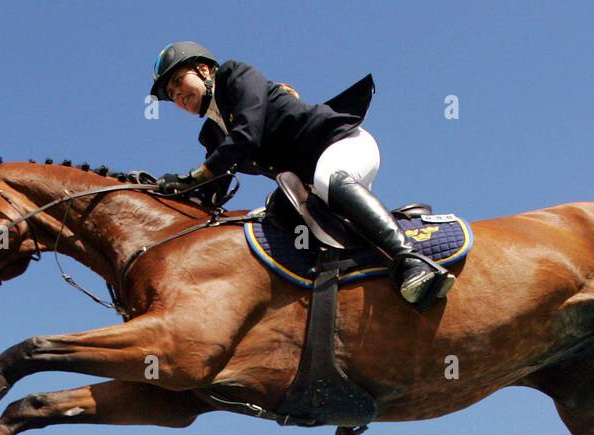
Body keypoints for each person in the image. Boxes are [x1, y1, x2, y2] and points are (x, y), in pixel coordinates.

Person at [150, 41, 455, 310]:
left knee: (328, 178)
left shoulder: (235, 75)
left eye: (179, 82)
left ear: (204, 70)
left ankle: (410, 260)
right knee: (276, 213)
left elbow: (247, 135)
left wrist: (196, 174)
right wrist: (152, 187)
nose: (178, 96)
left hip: (344, 145)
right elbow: (211, 194)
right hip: (308, 182)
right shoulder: (211, 134)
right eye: (172, 95)